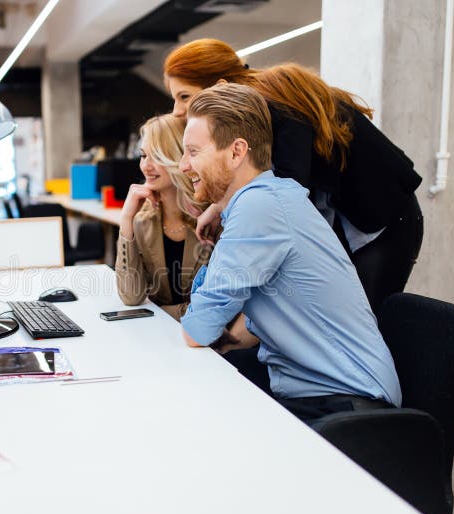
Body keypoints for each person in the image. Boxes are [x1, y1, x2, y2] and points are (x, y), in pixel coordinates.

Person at [179, 82, 401, 424]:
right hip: (320, 392)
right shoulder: (270, 197)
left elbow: (197, 330)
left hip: (347, 406)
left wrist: (207, 321)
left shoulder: (259, 206)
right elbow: (229, 323)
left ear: (236, 152)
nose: (183, 166)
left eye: (193, 152)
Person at [164, 38, 423, 311]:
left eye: (185, 97)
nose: (177, 111)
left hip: (386, 219)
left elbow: (288, 188)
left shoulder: (274, 103)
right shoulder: (253, 111)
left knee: (362, 318)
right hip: (353, 216)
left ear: (220, 86)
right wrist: (220, 206)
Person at [115, 114, 212, 321]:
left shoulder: (212, 217)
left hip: (205, 337)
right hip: (160, 334)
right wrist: (126, 221)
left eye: (157, 156)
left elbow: (212, 309)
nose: (146, 166)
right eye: (143, 155)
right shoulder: (143, 220)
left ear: (179, 158)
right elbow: (131, 297)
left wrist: (158, 314)